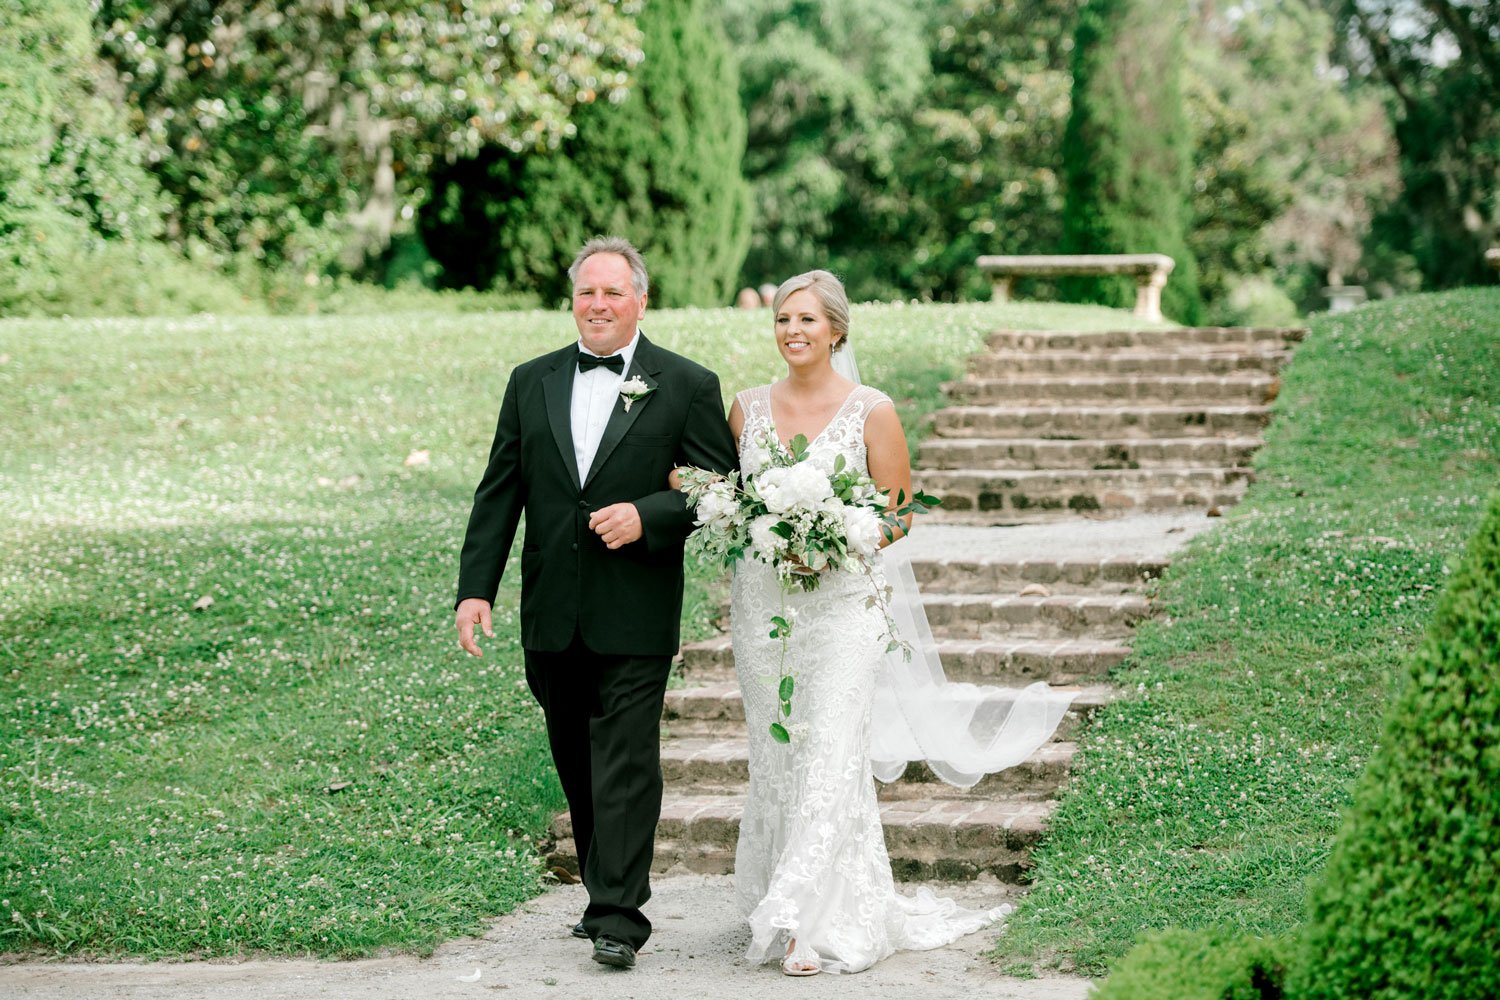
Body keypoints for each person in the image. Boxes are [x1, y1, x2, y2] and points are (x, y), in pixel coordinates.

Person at [723, 270, 1075, 975]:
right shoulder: (745, 409)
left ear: (837, 330)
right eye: (783, 320)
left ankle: (804, 919)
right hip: (764, 604)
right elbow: (736, 500)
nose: (793, 332)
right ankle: (781, 889)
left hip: (844, 604)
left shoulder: (871, 410)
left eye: (807, 321)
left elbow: (899, 511)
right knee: (778, 750)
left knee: (828, 749)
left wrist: (833, 542)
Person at [455, 236, 737, 971]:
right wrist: (475, 589)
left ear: (641, 299)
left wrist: (651, 514)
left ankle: (619, 914)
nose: (599, 304)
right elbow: (500, 491)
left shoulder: (685, 383)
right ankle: (599, 889)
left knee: (625, 761)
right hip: (552, 609)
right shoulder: (531, 381)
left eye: (613, 292)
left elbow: (721, 487)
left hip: (636, 608)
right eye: (587, 292)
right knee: (576, 760)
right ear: (572, 300)